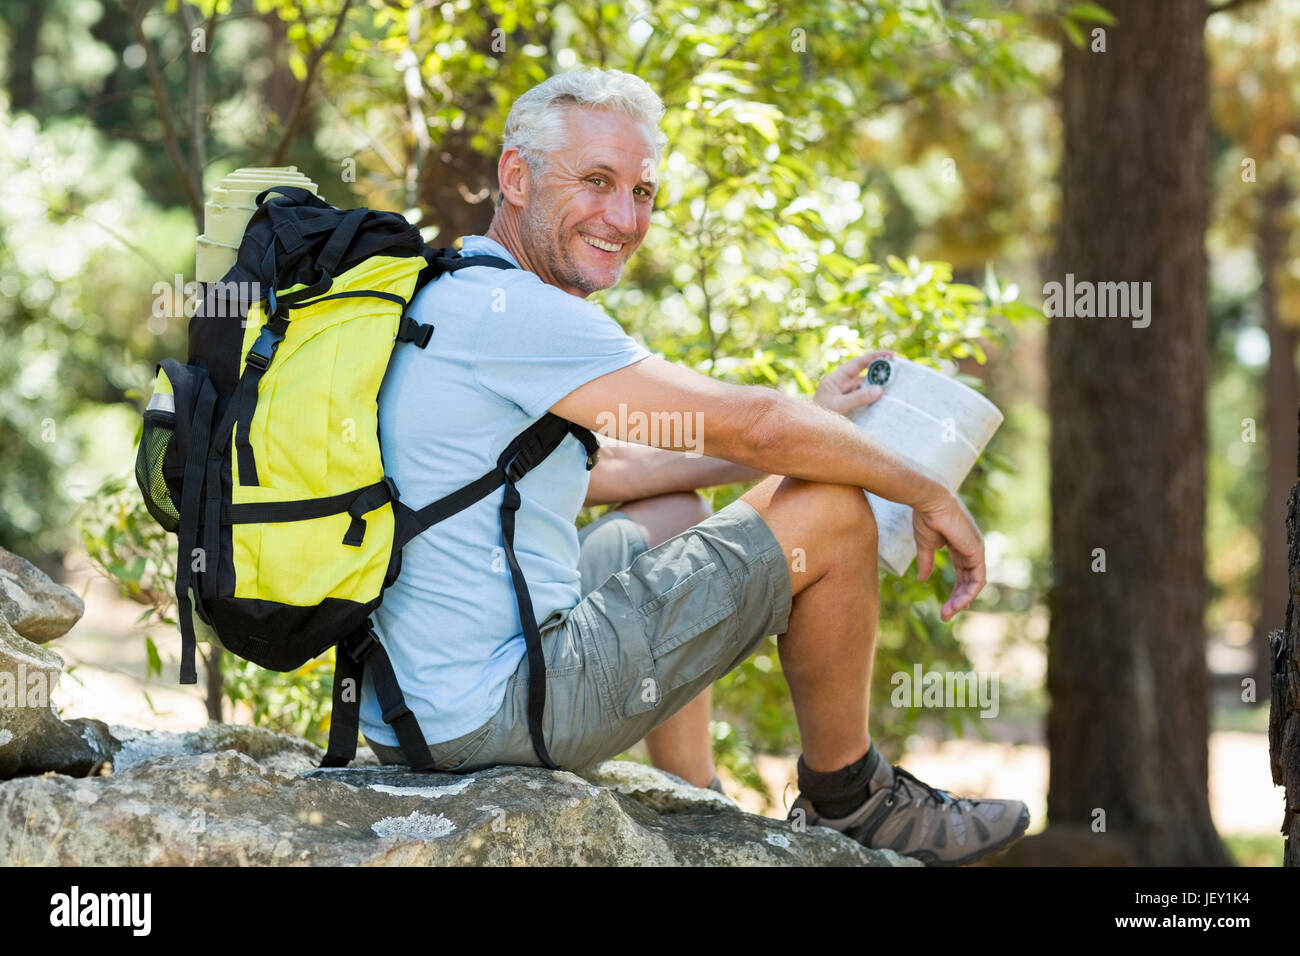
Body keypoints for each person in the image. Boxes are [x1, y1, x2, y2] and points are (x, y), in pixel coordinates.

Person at [360, 67, 1029, 866]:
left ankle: (697, 795)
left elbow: (613, 470)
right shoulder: (523, 312)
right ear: (516, 175)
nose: (623, 216)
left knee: (671, 517)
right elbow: (757, 426)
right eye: (597, 181)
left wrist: (807, 419)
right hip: (492, 716)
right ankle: (853, 797)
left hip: (414, 711)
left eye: (642, 192)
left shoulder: (452, 290)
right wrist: (923, 488)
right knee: (835, 510)